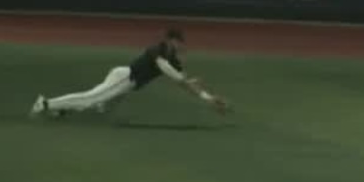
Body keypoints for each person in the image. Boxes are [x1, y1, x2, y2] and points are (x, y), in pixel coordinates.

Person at [30, 28, 230, 118]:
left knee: (100, 105)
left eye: (181, 42)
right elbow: (166, 69)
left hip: (128, 84)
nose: (180, 45)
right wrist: (184, 78)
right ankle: (46, 103)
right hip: (125, 77)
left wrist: (208, 98)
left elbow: (184, 84)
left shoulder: (174, 60)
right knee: (89, 99)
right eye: (177, 41)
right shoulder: (158, 50)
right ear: (169, 40)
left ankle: (62, 109)